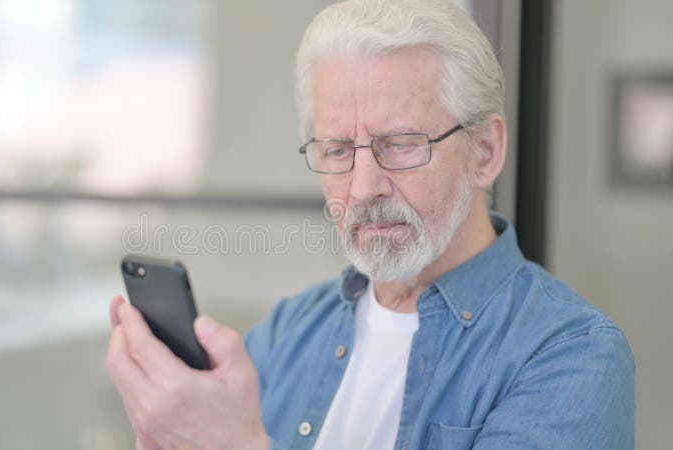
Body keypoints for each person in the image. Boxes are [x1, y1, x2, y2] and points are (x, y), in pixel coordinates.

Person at [105, 0, 635, 448]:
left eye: (401, 145)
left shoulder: (571, 356)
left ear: (486, 151)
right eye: (337, 150)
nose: (362, 188)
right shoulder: (290, 329)